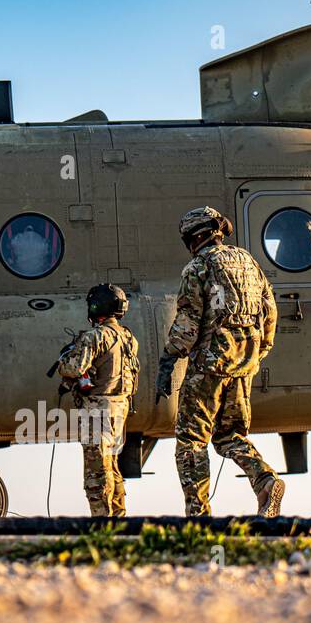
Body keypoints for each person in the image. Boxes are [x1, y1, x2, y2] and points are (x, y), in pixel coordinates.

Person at [154, 206, 284, 517]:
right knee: (230, 435)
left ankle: (198, 514)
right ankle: (264, 479)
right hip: (244, 364)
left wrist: (169, 359)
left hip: (209, 367)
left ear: (193, 237)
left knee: (191, 440)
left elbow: (188, 321)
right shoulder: (249, 263)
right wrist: (258, 350)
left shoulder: (198, 267)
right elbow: (270, 311)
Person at [56, 284, 140, 516]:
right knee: (112, 467)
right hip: (119, 408)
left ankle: (102, 522)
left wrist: (64, 362)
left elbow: (74, 368)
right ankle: (119, 518)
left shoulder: (96, 336)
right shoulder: (128, 338)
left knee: (96, 473)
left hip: (97, 411)